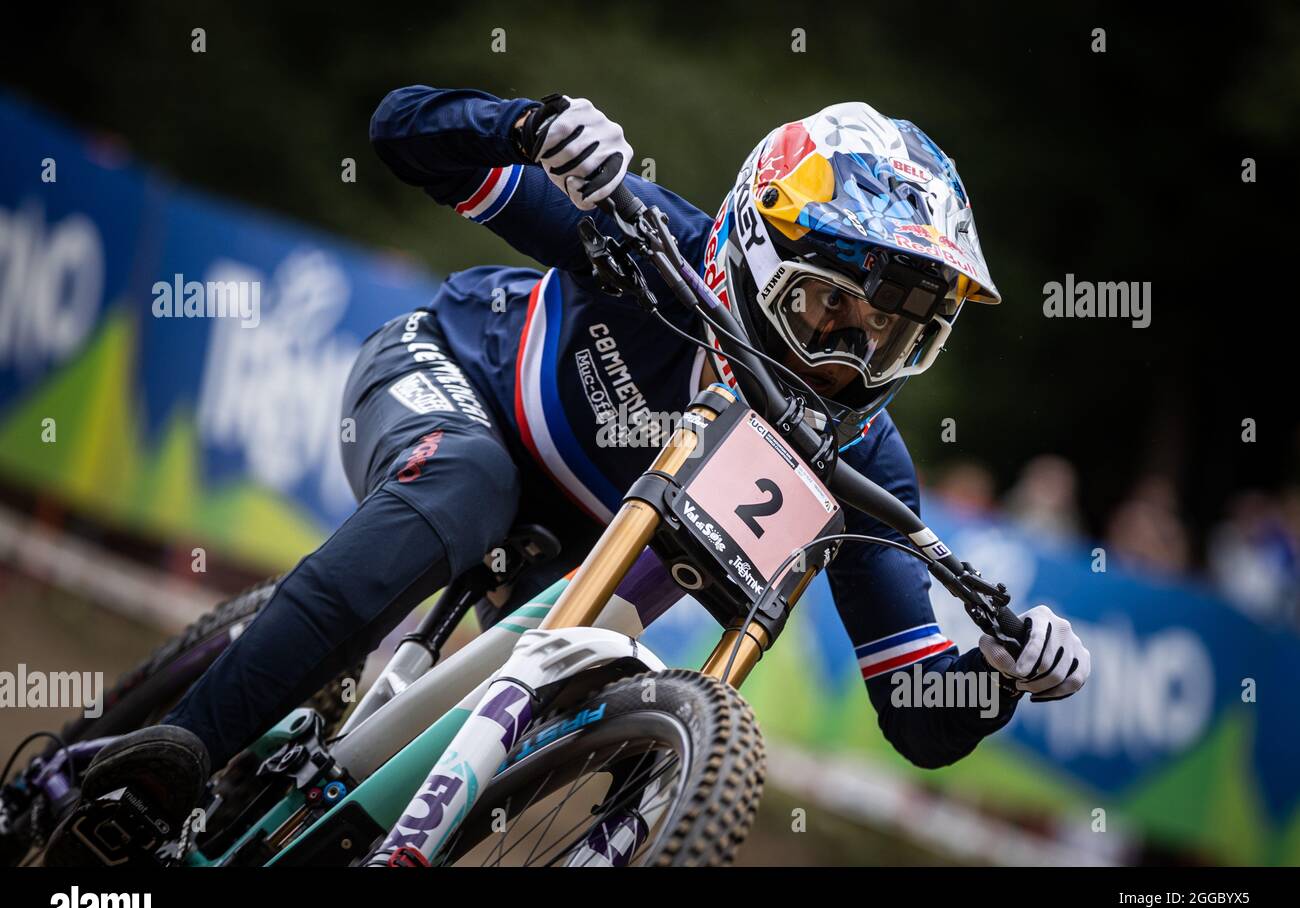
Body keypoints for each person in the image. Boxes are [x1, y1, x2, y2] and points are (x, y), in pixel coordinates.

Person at [46, 89, 1090, 865]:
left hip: (577, 560)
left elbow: (915, 713)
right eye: (832, 314)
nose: (848, 366)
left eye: (895, 338)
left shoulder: (862, 456)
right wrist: (525, 127)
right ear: (765, 258)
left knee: (587, 678)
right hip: (454, 383)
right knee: (464, 490)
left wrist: (1000, 674)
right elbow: (401, 133)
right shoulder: (651, 239)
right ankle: (164, 758)